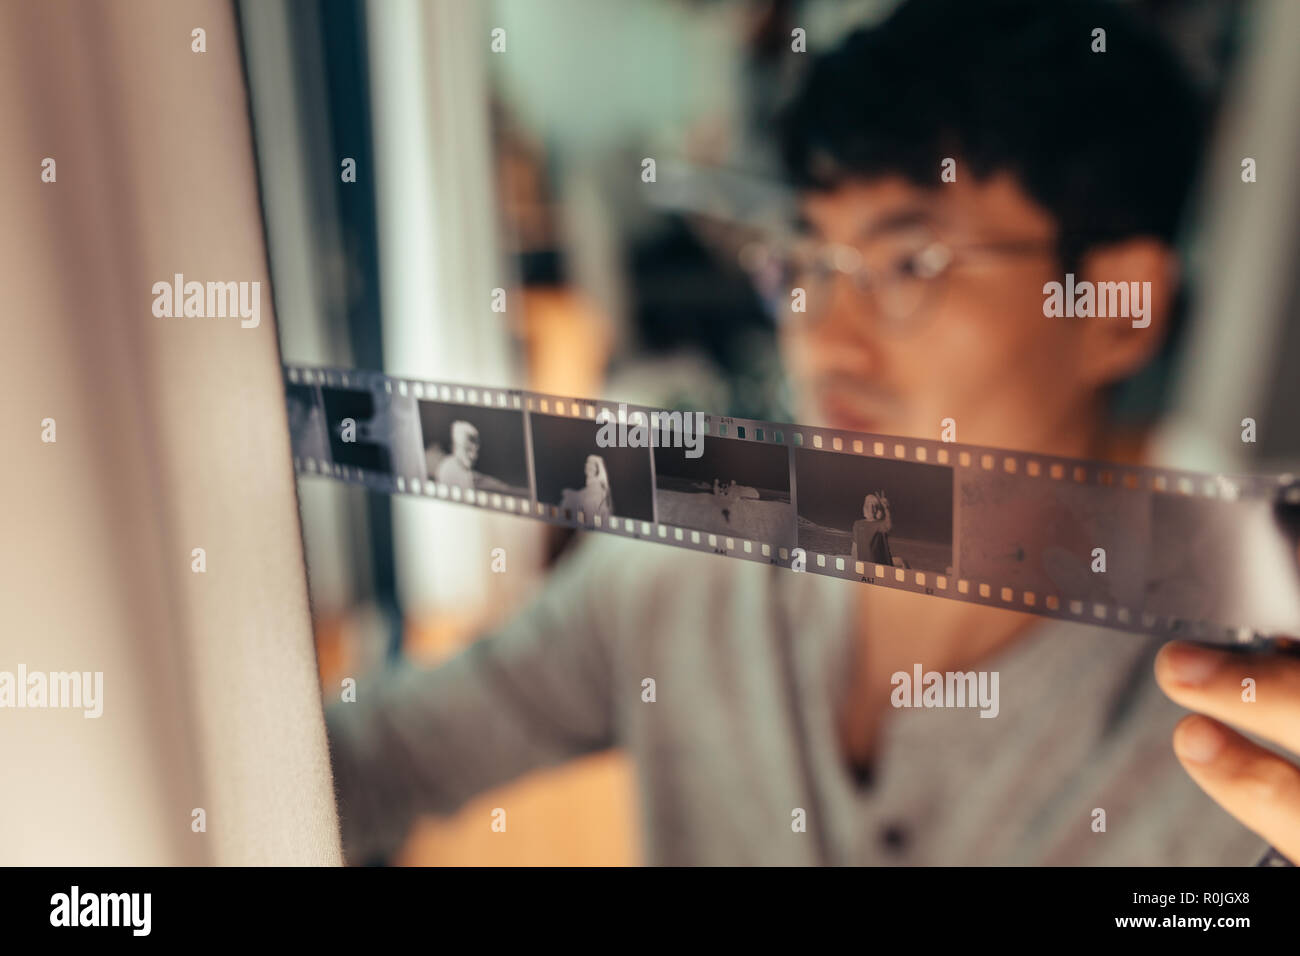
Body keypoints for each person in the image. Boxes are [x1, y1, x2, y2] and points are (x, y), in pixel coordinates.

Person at [325, 0, 1297, 865]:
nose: (822, 337)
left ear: (1119, 305)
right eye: (806, 261)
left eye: (911, 262)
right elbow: (372, 761)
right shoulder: (691, 561)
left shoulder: (1262, 685)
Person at [560, 454, 614, 520]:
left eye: (592, 465)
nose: (588, 466)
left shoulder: (600, 486)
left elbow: (592, 498)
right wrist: (571, 494)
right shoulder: (588, 487)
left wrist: (573, 496)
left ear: (597, 469)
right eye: (588, 464)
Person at [851, 492, 895, 567]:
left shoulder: (879, 524)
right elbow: (855, 545)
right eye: (869, 505)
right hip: (862, 566)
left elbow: (888, 526)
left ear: (877, 509)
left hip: (878, 567)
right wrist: (853, 565)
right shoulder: (858, 524)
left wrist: (886, 508)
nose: (871, 508)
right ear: (865, 507)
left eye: (874, 506)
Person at [434, 420, 480, 490]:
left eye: (475, 451)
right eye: (468, 450)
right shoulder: (448, 469)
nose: (473, 456)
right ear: (457, 446)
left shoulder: (466, 471)